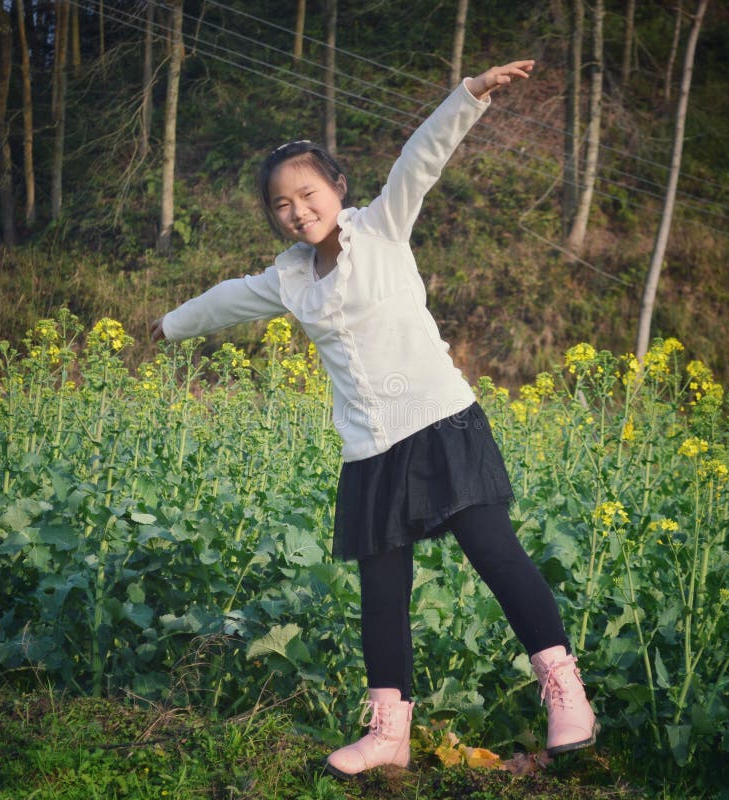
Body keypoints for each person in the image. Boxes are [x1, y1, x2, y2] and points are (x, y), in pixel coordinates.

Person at [150, 60, 597, 780]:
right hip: (370, 448)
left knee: (496, 553)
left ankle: (567, 695)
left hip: (441, 422)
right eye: (282, 205)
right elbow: (227, 299)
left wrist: (471, 94)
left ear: (336, 188)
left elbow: (422, 156)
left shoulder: (383, 228)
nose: (298, 211)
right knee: (381, 594)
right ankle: (390, 732)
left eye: (308, 194)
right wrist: (170, 325)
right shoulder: (288, 280)